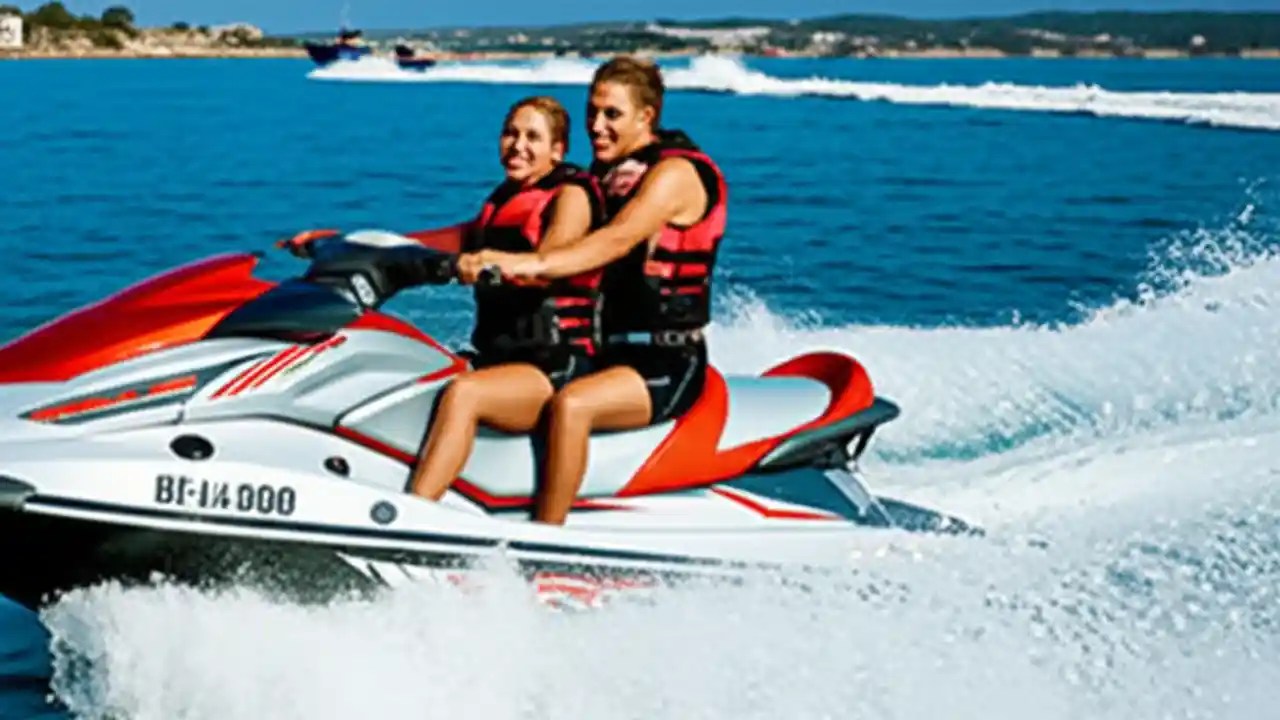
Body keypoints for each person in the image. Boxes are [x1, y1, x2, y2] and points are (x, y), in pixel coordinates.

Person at [471, 57, 727, 525]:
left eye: (612, 114)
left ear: (646, 117)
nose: (596, 126)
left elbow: (615, 240)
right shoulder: (605, 177)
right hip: (605, 354)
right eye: (592, 112)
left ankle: (545, 542)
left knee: (572, 405)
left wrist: (530, 264)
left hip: (666, 363)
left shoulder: (675, 175)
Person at [403, 96, 606, 502]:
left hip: (554, 365)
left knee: (465, 394)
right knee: (410, 370)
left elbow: (552, 257)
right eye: (510, 133)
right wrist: (362, 245)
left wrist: (497, 263)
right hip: (502, 358)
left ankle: (415, 510)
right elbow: (447, 242)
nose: (518, 145)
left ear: (557, 150)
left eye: (533, 136)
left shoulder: (572, 197)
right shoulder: (502, 202)